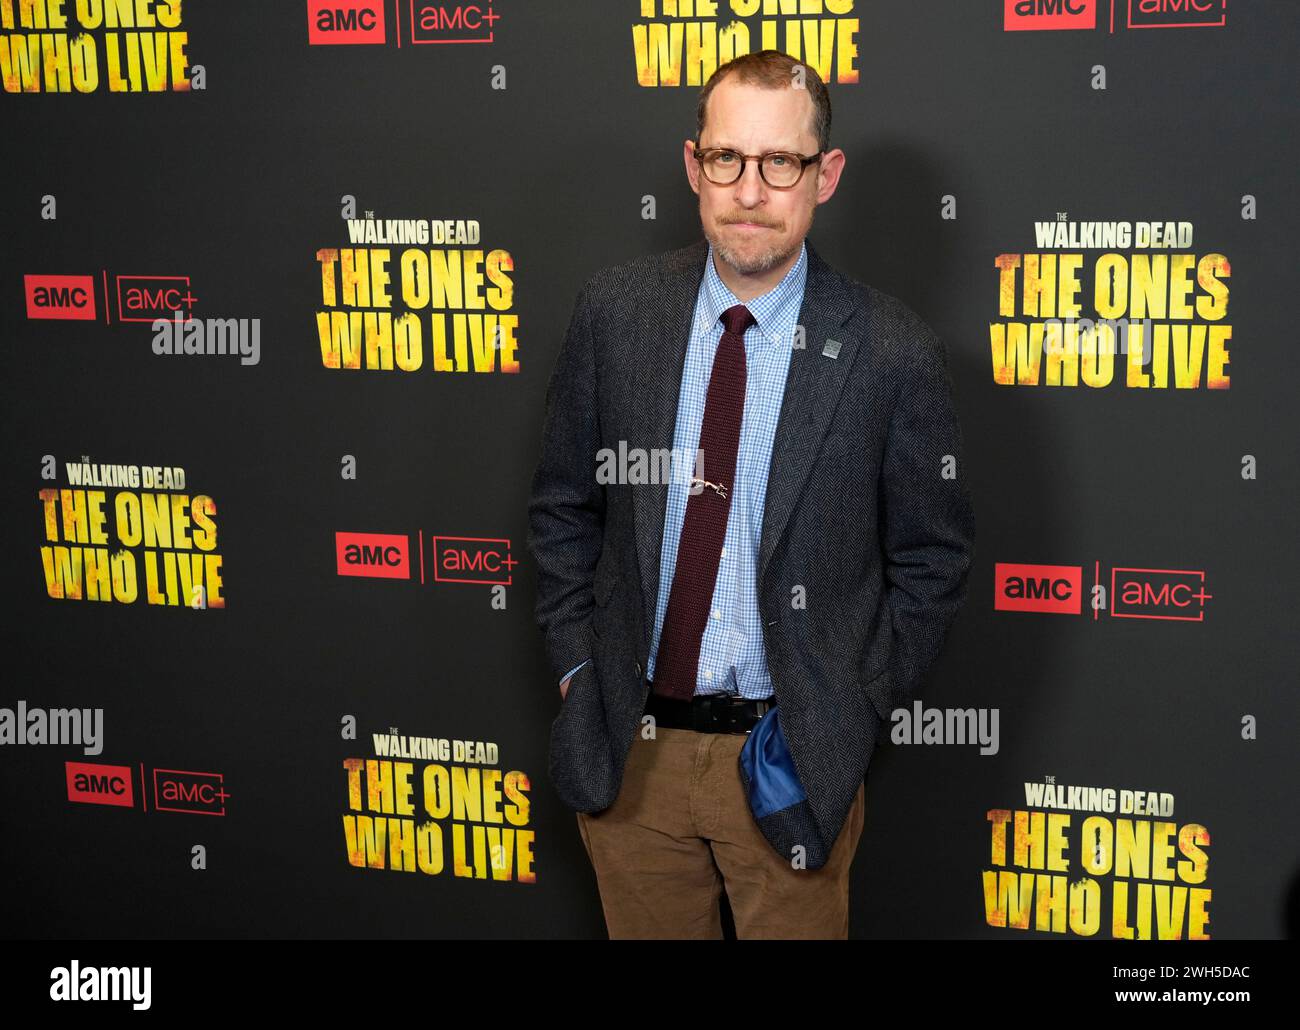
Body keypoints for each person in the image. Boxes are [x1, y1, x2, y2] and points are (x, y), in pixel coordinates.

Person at [527, 49, 975, 939]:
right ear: (695, 165)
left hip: (789, 764)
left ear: (825, 175)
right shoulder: (616, 314)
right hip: (630, 756)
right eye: (727, 159)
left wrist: (846, 709)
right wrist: (582, 672)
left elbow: (933, 561)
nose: (750, 189)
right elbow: (562, 509)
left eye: (782, 163)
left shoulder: (891, 352)